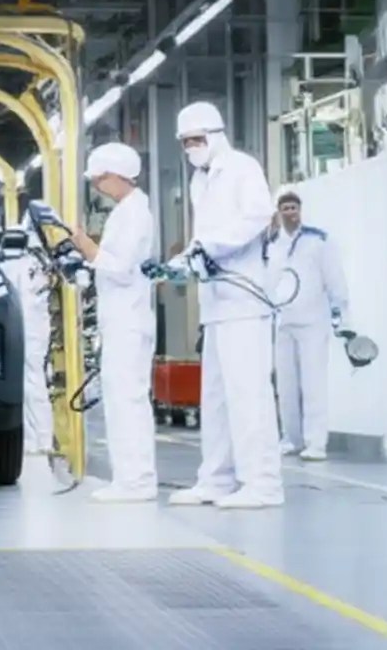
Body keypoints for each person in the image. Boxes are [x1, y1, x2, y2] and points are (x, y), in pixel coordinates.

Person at [165, 101, 283, 509]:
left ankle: (263, 484)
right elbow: (206, 237)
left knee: (249, 395)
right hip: (216, 305)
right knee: (214, 398)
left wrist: (207, 247)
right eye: (185, 142)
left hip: (245, 301)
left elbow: (256, 216)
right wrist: (185, 260)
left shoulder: (241, 168)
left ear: (216, 135)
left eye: (197, 140)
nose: (191, 148)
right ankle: (216, 480)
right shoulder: (202, 180)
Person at [66, 143, 158, 502]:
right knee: (121, 401)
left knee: (128, 401)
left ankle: (136, 482)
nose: (98, 187)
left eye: (101, 179)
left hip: (129, 322)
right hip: (120, 320)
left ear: (118, 175)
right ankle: (129, 479)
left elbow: (120, 268)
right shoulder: (126, 211)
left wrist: (87, 248)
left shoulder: (135, 214)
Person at [265, 189, 349, 461]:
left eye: (294, 207)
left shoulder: (318, 240)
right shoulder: (271, 245)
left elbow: (334, 278)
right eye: (285, 208)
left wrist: (340, 312)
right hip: (283, 323)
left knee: (314, 384)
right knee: (286, 386)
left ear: (300, 210)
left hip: (313, 322)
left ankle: (316, 443)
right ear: (278, 212)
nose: (290, 212)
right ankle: (291, 438)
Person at [0, 185, 55, 455]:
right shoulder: (36, 258)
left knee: (33, 382)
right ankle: (37, 436)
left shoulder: (26, 261)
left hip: (30, 328)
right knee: (32, 382)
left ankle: (41, 438)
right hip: (31, 326)